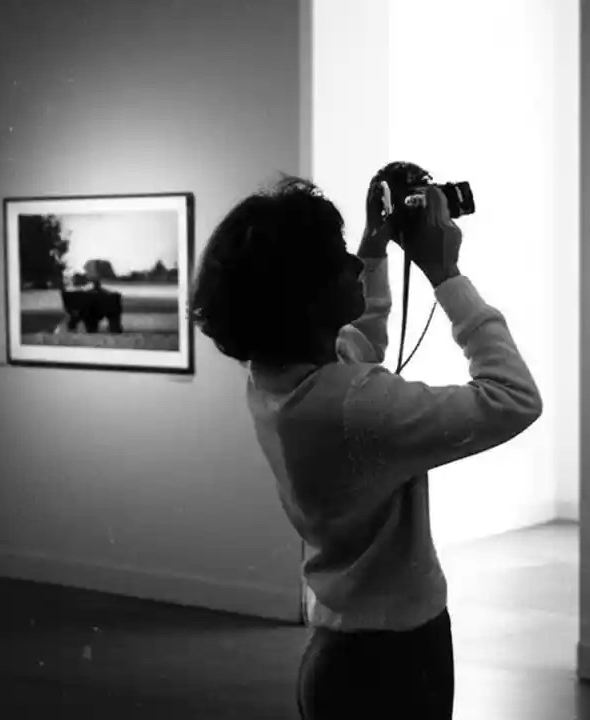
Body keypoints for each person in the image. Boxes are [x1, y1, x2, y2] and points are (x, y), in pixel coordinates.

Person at [187, 162, 543, 719]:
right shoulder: (353, 405)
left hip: (346, 646)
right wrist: (446, 275)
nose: (353, 264)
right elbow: (513, 398)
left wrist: (376, 240)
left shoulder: (279, 376)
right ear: (303, 297)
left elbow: (363, 335)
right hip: (392, 660)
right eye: (338, 260)